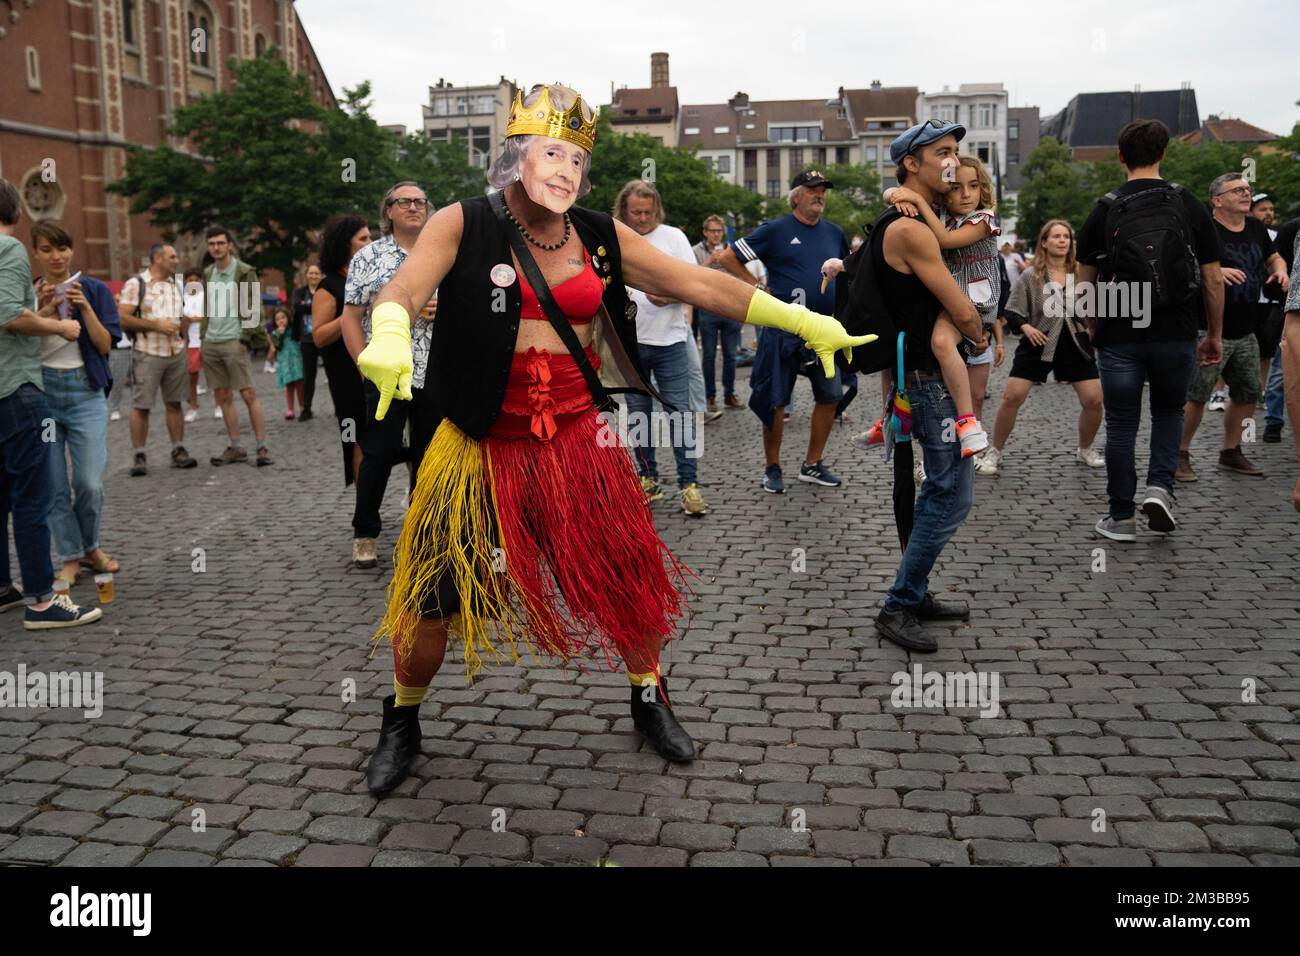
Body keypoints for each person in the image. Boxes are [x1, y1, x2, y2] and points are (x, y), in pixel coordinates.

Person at [352, 83, 868, 795]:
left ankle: (648, 699)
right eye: (549, 153)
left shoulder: (595, 232)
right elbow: (405, 290)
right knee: (431, 596)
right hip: (478, 445)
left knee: (629, 584)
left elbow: (697, 283)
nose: (563, 170)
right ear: (517, 157)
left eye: (576, 159)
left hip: (577, 441)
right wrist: (386, 333)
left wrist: (804, 321)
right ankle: (402, 721)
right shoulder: (462, 222)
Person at [1076, 119, 1224, 540]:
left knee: (1122, 423)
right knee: (1168, 411)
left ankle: (1121, 515)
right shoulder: (1187, 203)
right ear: (1163, 154)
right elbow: (1213, 279)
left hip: (1120, 332)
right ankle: (1160, 488)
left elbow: (1085, 281)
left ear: (1120, 157)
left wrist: (1092, 327)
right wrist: (1213, 332)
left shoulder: (1104, 209)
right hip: (1176, 328)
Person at [867, 119, 983, 652]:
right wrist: (981, 335)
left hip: (926, 375)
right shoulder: (911, 226)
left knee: (942, 489)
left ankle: (915, 593)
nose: (953, 162)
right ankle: (899, 603)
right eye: (942, 152)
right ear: (911, 163)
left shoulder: (921, 214)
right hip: (929, 377)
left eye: (956, 152)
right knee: (949, 495)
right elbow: (957, 306)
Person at [0, 177, 102, 628]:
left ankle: (4, 587)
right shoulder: (9, 250)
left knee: (3, 493)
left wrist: (41, 315)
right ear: (17, 212)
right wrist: (58, 327)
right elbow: (9, 317)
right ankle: (42, 599)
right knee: (34, 495)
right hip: (19, 389)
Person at [856, 154, 998, 457]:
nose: (966, 194)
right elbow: (892, 192)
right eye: (957, 187)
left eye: (974, 186)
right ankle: (887, 420)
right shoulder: (941, 214)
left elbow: (946, 240)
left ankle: (968, 421)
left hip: (977, 300)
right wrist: (897, 196)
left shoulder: (984, 220)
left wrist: (917, 203)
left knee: (942, 342)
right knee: (890, 351)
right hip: (952, 298)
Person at [718, 169, 850, 493]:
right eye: (812, 189)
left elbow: (848, 273)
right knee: (774, 399)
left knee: (831, 395)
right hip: (782, 329)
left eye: (823, 190)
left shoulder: (834, 233)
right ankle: (772, 467)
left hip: (821, 330)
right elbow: (728, 256)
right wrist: (756, 288)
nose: (819, 194)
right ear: (796, 196)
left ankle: (812, 464)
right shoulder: (776, 229)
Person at [340, 182, 435, 570]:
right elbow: (350, 316)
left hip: (436, 370)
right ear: (389, 211)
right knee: (378, 453)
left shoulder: (443, 252)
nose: (413, 207)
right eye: (404, 202)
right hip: (387, 372)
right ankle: (365, 532)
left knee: (429, 454)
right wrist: (364, 362)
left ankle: (423, 530)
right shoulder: (369, 257)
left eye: (419, 202)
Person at [1176, 173, 1288, 480]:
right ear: (1217, 200)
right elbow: (1181, 269)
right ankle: (1179, 455)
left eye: (1247, 190)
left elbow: (1274, 256)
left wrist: (1280, 271)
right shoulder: (1202, 229)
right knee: (1196, 394)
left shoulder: (1254, 227)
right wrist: (1215, 272)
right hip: (1206, 327)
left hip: (1245, 328)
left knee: (1248, 392)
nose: (1245, 194)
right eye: (1237, 190)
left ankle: (1231, 452)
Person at [29, 220, 122, 587]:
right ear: (36, 252)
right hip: (43, 396)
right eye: (48, 249)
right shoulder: (26, 293)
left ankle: (91, 546)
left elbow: (104, 345)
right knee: (53, 484)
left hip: (85, 392)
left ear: (71, 250)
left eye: (63, 247)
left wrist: (84, 309)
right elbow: (20, 345)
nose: (57, 256)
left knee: (88, 481)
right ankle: (70, 557)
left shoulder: (95, 290)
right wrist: (42, 314)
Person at [975, 220, 1105, 475]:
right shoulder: (1030, 275)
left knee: (1094, 399)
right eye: (1056, 236)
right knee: (1012, 397)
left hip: (1075, 343)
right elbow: (1012, 309)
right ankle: (995, 451)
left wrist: (1094, 329)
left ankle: (1085, 448)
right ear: (1044, 242)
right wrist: (1026, 328)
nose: (1062, 241)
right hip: (1039, 341)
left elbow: (1094, 306)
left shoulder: (1082, 273)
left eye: (1066, 236)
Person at [616, 180, 708, 516]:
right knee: (639, 416)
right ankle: (648, 479)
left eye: (647, 212)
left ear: (657, 209)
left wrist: (668, 296)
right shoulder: (616, 236)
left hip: (670, 341)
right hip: (630, 343)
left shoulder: (673, 237)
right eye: (635, 212)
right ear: (624, 210)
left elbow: (694, 285)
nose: (642, 218)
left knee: (679, 415)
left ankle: (689, 485)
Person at [118, 242, 198, 475]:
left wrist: (187, 321)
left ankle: (178, 450)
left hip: (175, 351)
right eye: (172, 257)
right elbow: (122, 318)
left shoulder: (177, 284)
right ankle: (139, 455)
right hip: (147, 352)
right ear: (158, 259)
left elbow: (179, 315)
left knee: (175, 403)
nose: (177, 260)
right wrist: (155, 325)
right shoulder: (137, 284)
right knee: (142, 406)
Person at [312, 216, 371, 503]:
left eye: (371, 237)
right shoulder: (329, 286)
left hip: (377, 366)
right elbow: (319, 336)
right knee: (358, 435)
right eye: (363, 239)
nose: (370, 243)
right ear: (344, 245)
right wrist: (351, 312)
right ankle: (365, 509)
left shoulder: (375, 278)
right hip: (347, 373)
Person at [202, 225, 272, 467]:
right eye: (212, 244)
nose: (216, 247)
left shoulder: (244, 271)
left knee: (248, 393)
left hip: (234, 340)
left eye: (220, 243)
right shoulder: (208, 272)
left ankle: (262, 446)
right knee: (222, 396)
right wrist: (203, 336)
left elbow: (254, 308)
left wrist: (245, 338)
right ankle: (235, 446)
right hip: (211, 342)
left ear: (229, 245)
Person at [694, 215, 744, 413]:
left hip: (730, 309)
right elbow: (690, 274)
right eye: (712, 231)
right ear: (705, 232)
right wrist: (709, 260)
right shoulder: (696, 251)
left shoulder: (731, 250)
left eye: (719, 231)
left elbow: (740, 276)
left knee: (731, 356)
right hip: (707, 309)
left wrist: (726, 259)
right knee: (708, 355)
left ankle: (729, 394)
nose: (716, 234)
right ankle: (710, 396)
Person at [291, 261, 323, 421]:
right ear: (306, 275)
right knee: (309, 376)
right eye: (311, 273)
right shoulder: (299, 292)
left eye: (316, 273)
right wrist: (319, 306)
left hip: (325, 338)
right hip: (306, 339)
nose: (313, 276)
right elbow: (296, 308)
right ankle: (306, 409)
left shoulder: (325, 291)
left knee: (334, 375)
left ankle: (340, 409)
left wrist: (307, 306)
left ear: (321, 275)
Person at [267, 305, 304, 419]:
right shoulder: (274, 334)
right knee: (289, 386)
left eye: (283, 317)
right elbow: (277, 347)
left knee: (299, 385)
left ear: (288, 317)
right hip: (285, 363)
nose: (281, 321)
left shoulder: (293, 330)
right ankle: (290, 409)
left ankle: (302, 407)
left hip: (296, 360)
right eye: (277, 319)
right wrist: (280, 335)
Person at [181, 268, 204, 423]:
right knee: (191, 378)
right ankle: (193, 407)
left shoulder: (206, 298)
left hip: (206, 340)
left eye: (196, 280)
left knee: (214, 377)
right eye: (190, 280)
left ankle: (218, 406)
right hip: (190, 343)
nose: (193, 283)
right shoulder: (182, 299)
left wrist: (194, 318)